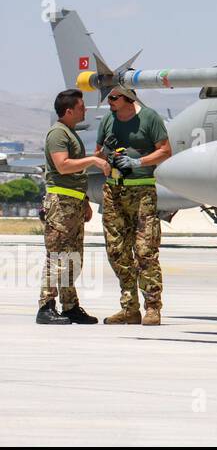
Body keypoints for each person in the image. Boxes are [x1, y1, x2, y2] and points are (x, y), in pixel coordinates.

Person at [95, 86, 171, 325]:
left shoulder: (149, 118)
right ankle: (129, 307)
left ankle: (152, 307)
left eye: (114, 98)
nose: (109, 102)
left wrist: (137, 161)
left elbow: (166, 151)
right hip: (114, 190)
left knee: (145, 250)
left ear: (129, 99)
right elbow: (97, 151)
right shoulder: (108, 119)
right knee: (117, 250)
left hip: (142, 190)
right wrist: (107, 158)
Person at [37, 89, 109, 325]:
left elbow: (73, 173)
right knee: (57, 256)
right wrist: (92, 160)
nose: (84, 110)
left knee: (73, 258)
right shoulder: (58, 133)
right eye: (80, 107)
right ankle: (46, 307)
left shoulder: (70, 133)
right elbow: (63, 166)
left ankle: (70, 306)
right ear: (69, 111)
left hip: (73, 203)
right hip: (60, 205)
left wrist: (84, 201)